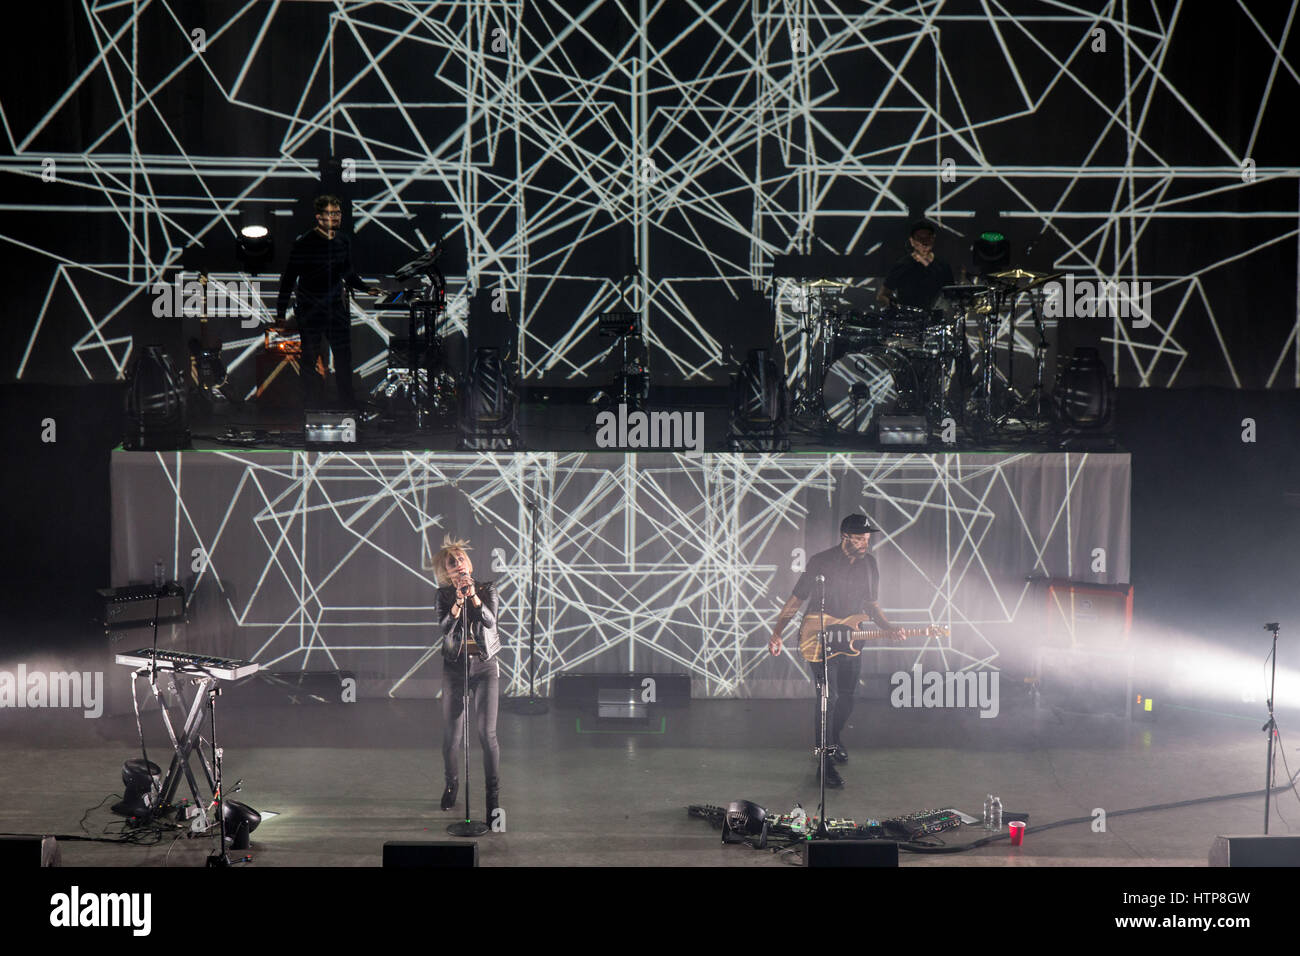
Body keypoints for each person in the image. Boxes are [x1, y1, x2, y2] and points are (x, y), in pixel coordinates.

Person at [768, 514, 902, 787]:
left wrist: (888, 626)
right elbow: (796, 600)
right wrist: (777, 632)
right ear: (844, 536)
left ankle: (834, 738)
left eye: (866, 538)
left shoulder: (870, 564)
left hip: (852, 640)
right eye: (858, 538)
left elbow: (871, 604)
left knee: (848, 697)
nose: (864, 543)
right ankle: (825, 764)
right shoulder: (821, 561)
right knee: (827, 698)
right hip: (819, 637)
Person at [274, 195, 382, 409]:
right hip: (311, 310)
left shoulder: (343, 241)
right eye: (331, 214)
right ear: (319, 217)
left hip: (336, 309)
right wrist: (280, 312)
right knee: (310, 359)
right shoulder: (304, 243)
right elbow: (288, 278)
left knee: (343, 359)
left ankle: (346, 403)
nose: (335, 217)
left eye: (338, 213)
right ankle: (310, 405)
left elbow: (348, 273)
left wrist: (365, 288)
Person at [435, 536, 502, 822]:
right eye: (452, 563)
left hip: (485, 668)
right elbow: (445, 628)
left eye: (460, 559)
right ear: (446, 572)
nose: (458, 565)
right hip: (455, 669)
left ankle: (492, 796)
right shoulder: (443, 595)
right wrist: (459, 601)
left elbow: (490, 621)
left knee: (487, 735)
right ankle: (452, 784)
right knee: (453, 737)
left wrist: (472, 596)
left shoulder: (487, 590)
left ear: (469, 564)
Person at [876, 220, 955, 310]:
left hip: (937, 319)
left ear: (933, 239)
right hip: (908, 319)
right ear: (912, 241)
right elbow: (882, 295)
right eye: (920, 238)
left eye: (928, 238)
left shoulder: (943, 266)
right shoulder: (902, 265)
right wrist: (896, 309)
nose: (924, 242)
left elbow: (951, 295)